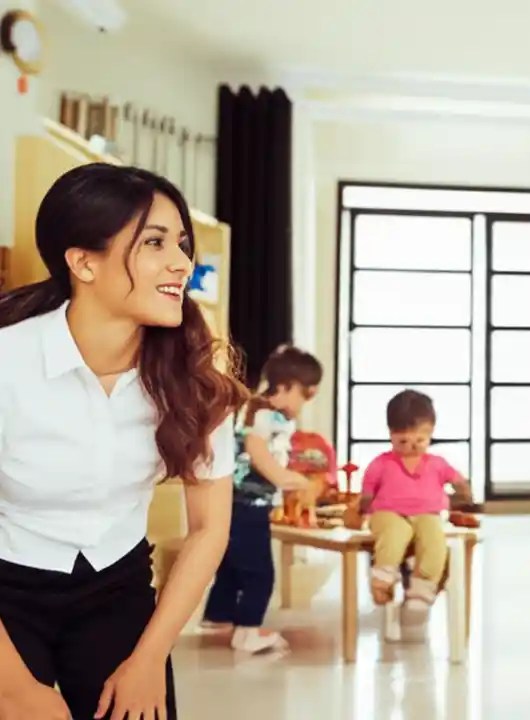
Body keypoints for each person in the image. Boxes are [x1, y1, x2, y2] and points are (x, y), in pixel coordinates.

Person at [0, 164, 248, 719]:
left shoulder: (196, 376)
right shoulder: (7, 363)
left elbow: (210, 530)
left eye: (181, 244)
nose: (182, 263)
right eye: (155, 243)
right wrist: (15, 690)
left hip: (118, 589)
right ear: (83, 262)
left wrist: (147, 660)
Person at [201, 346, 322, 654]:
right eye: (304, 395)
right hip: (248, 502)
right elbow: (257, 451)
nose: (303, 404)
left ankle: (219, 615)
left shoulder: (253, 408)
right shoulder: (266, 413)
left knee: (231, 562)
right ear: (285, 386)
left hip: (231, 499)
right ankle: (248, 632)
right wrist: (286, 479)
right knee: (259, 572)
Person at [361, 390, 474, 627]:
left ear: (431, 434)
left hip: (427, 515)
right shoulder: (382, 463)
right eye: (403, 441)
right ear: (391, 434)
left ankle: (421, 592)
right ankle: (382, 578)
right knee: (393, 534)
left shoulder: (437, 464)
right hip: (388, 512)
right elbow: (368, 490)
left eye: (419, 441)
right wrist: (364, 507)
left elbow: (458, 481)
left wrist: (463, 491)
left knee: (435, 543)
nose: (411, 447)